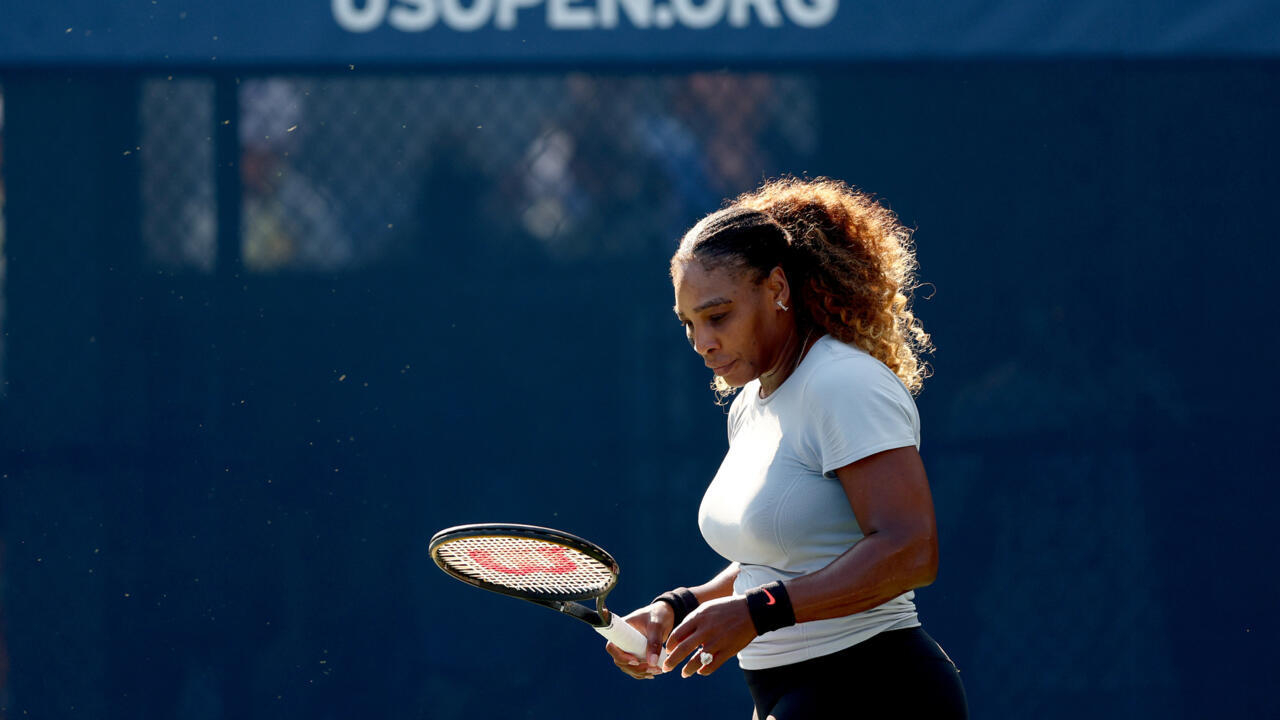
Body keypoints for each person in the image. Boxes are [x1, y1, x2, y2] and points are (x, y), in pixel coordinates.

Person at [604, 177, 968, 718]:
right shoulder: (751, 401)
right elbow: (777, 558)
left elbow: (911, 548)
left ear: (776, 288)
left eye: (718, 315)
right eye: (689, 323)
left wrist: (756, 613)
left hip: (877, 690)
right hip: (788, 694)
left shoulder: (843, 384)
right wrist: (679, 606)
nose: (703, 342)